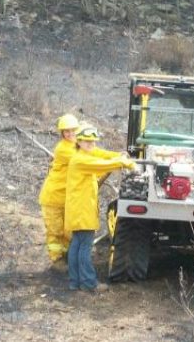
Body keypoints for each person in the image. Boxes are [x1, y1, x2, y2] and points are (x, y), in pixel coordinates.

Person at [38, 114, 120, 265]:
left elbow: (96, 152)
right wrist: (117, 162)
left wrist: (117, 155)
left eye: (72, 130)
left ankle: (68, 259)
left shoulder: (77, 144)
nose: (70, 134)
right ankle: (57, 261)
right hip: (54, 197)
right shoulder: (63, 149)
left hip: (69, 198)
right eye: (66, 131)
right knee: (55, 231)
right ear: (61, 133)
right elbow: (89, 161)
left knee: (69, 231)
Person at [64, 125, 136, 292]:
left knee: (77, 243)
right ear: (79, 141)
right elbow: (102, 164)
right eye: (87, 141)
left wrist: (118, 155)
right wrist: (125, 162)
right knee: (84, 245)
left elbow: (102, 155)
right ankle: (89, 283)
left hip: (79, 208)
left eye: (93, 141)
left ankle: (75, 282)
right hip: (82, 210)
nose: (91, 144)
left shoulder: (83, 154)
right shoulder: (82, 160)